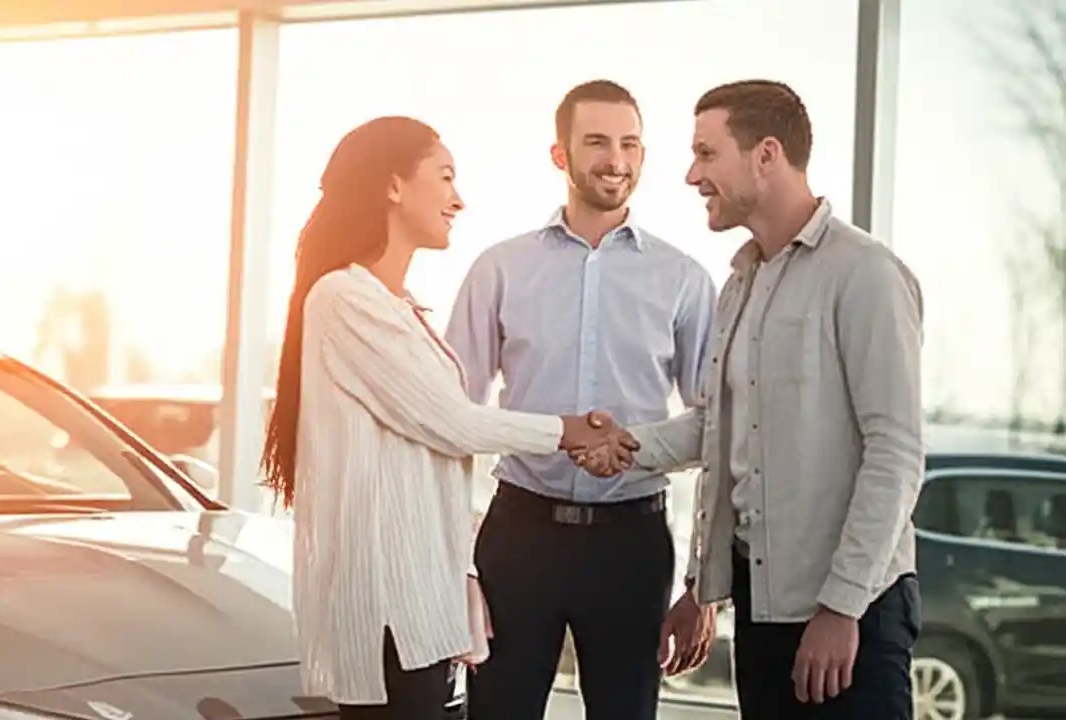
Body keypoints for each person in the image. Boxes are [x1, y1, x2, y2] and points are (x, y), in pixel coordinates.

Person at [260, 115, 637, 720]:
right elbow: (450, 423)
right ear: (392, 187)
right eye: (444, 177)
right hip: (386, 610)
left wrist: (460, 574)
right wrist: (567, 430)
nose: (457, 199)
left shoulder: (397, 306)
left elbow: (428, 462)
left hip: (418, 609)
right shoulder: (344, 299)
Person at [591, 79, 925, 719]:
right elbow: (724, 429)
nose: (692, 175)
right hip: (761, 606)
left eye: (707, 153)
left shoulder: (866, 276)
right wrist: (620, 446)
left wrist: (841, 608)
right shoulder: (740, 284)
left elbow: (897, 454)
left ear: (766, 154)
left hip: (850, 618)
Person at [444, 80, 717, 719]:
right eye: (596, 141)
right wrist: (456, 564)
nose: (615, 159)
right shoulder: (499, 269)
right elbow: (453, 419)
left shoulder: (683, 279)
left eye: (629, 143)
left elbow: (718, 426)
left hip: (633, 544)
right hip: (518, 537)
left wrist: (704, 587)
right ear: (560, 155)